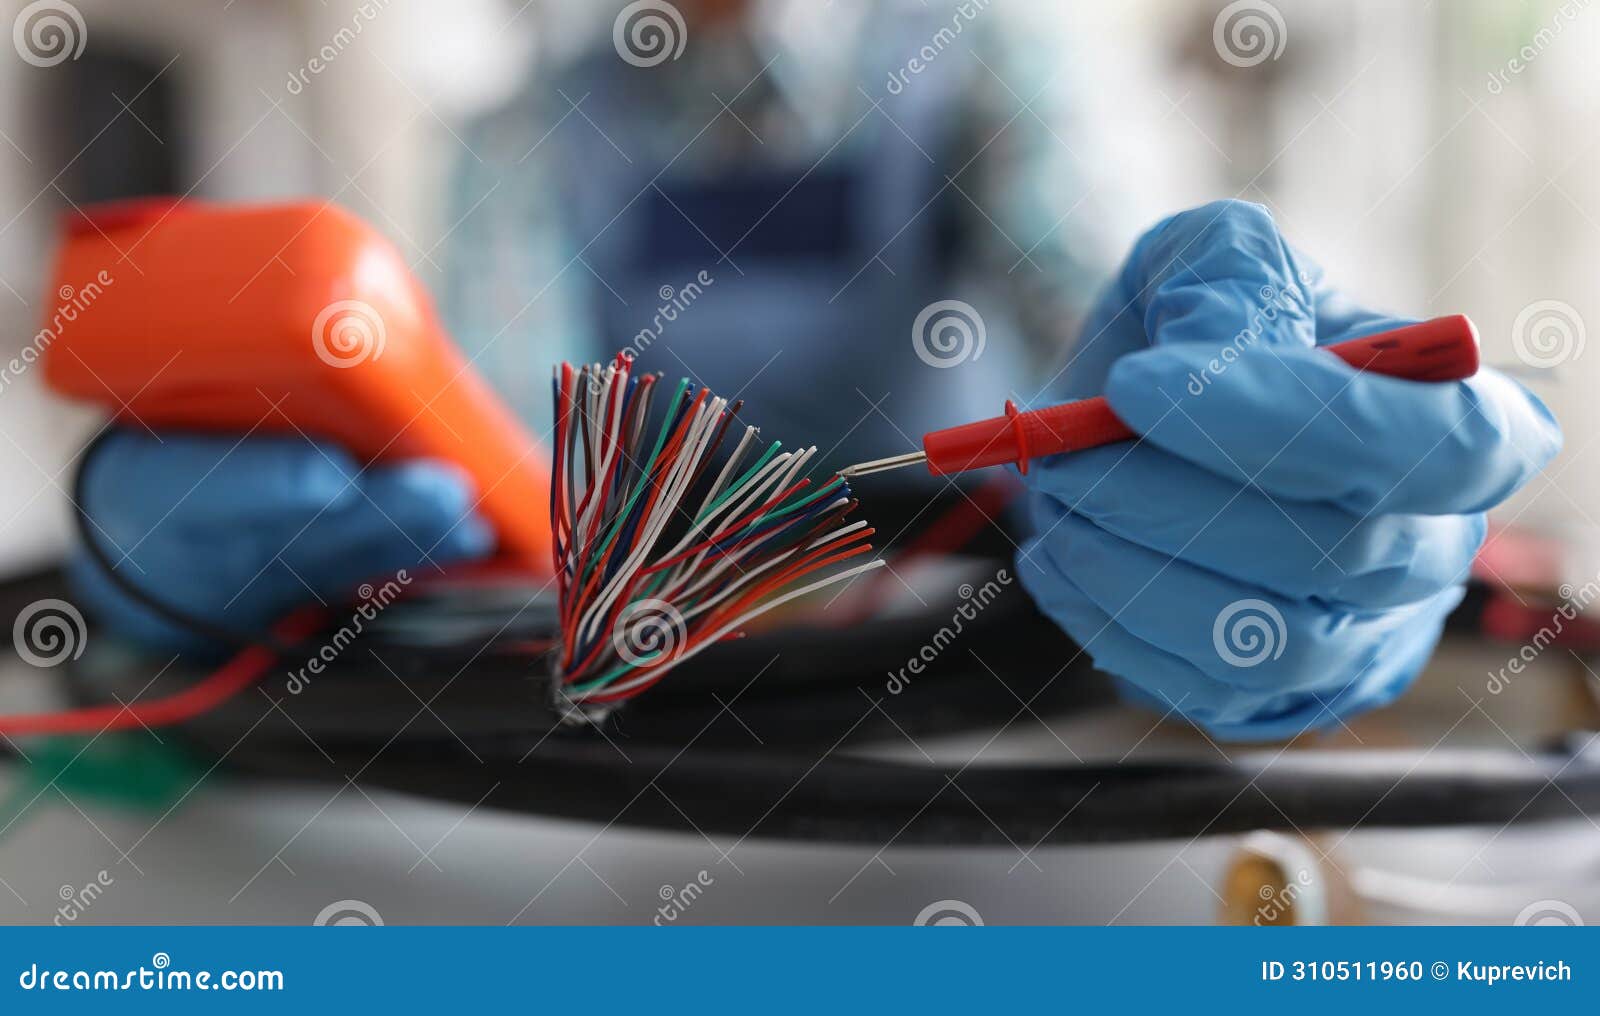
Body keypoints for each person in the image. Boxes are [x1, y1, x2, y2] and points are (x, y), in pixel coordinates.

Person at [67, 3, 1560, 740]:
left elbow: (1104, 298)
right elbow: (514, 478)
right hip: (634, 771)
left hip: (991, 726)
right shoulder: (519, 141)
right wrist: (284, 593)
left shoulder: (976, 62)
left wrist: (1280, 447)